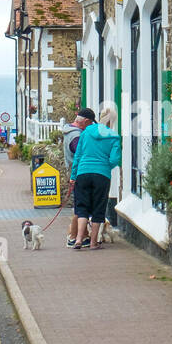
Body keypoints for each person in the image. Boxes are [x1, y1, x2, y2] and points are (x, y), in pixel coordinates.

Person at [70, 103, 121, 250]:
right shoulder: (114, 137)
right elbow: (114, 160)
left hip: (83, 173)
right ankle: (93, 243)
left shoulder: (86, 132)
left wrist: (73, 176)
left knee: (82, 207)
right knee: (99, 207)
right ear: (113, 121)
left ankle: (79, 239)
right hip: (102, 176)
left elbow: (78, 156)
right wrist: (104, 166)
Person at [60, 108, 95, 246]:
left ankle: (82, 235)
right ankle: (73, 237)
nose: (91, 126)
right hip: (79, 173)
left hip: (75, 172)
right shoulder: (76, 136)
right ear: (85, 121)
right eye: (90, 123)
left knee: (80, 205)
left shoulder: (69, 131)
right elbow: (80, 153)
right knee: (80, 206)